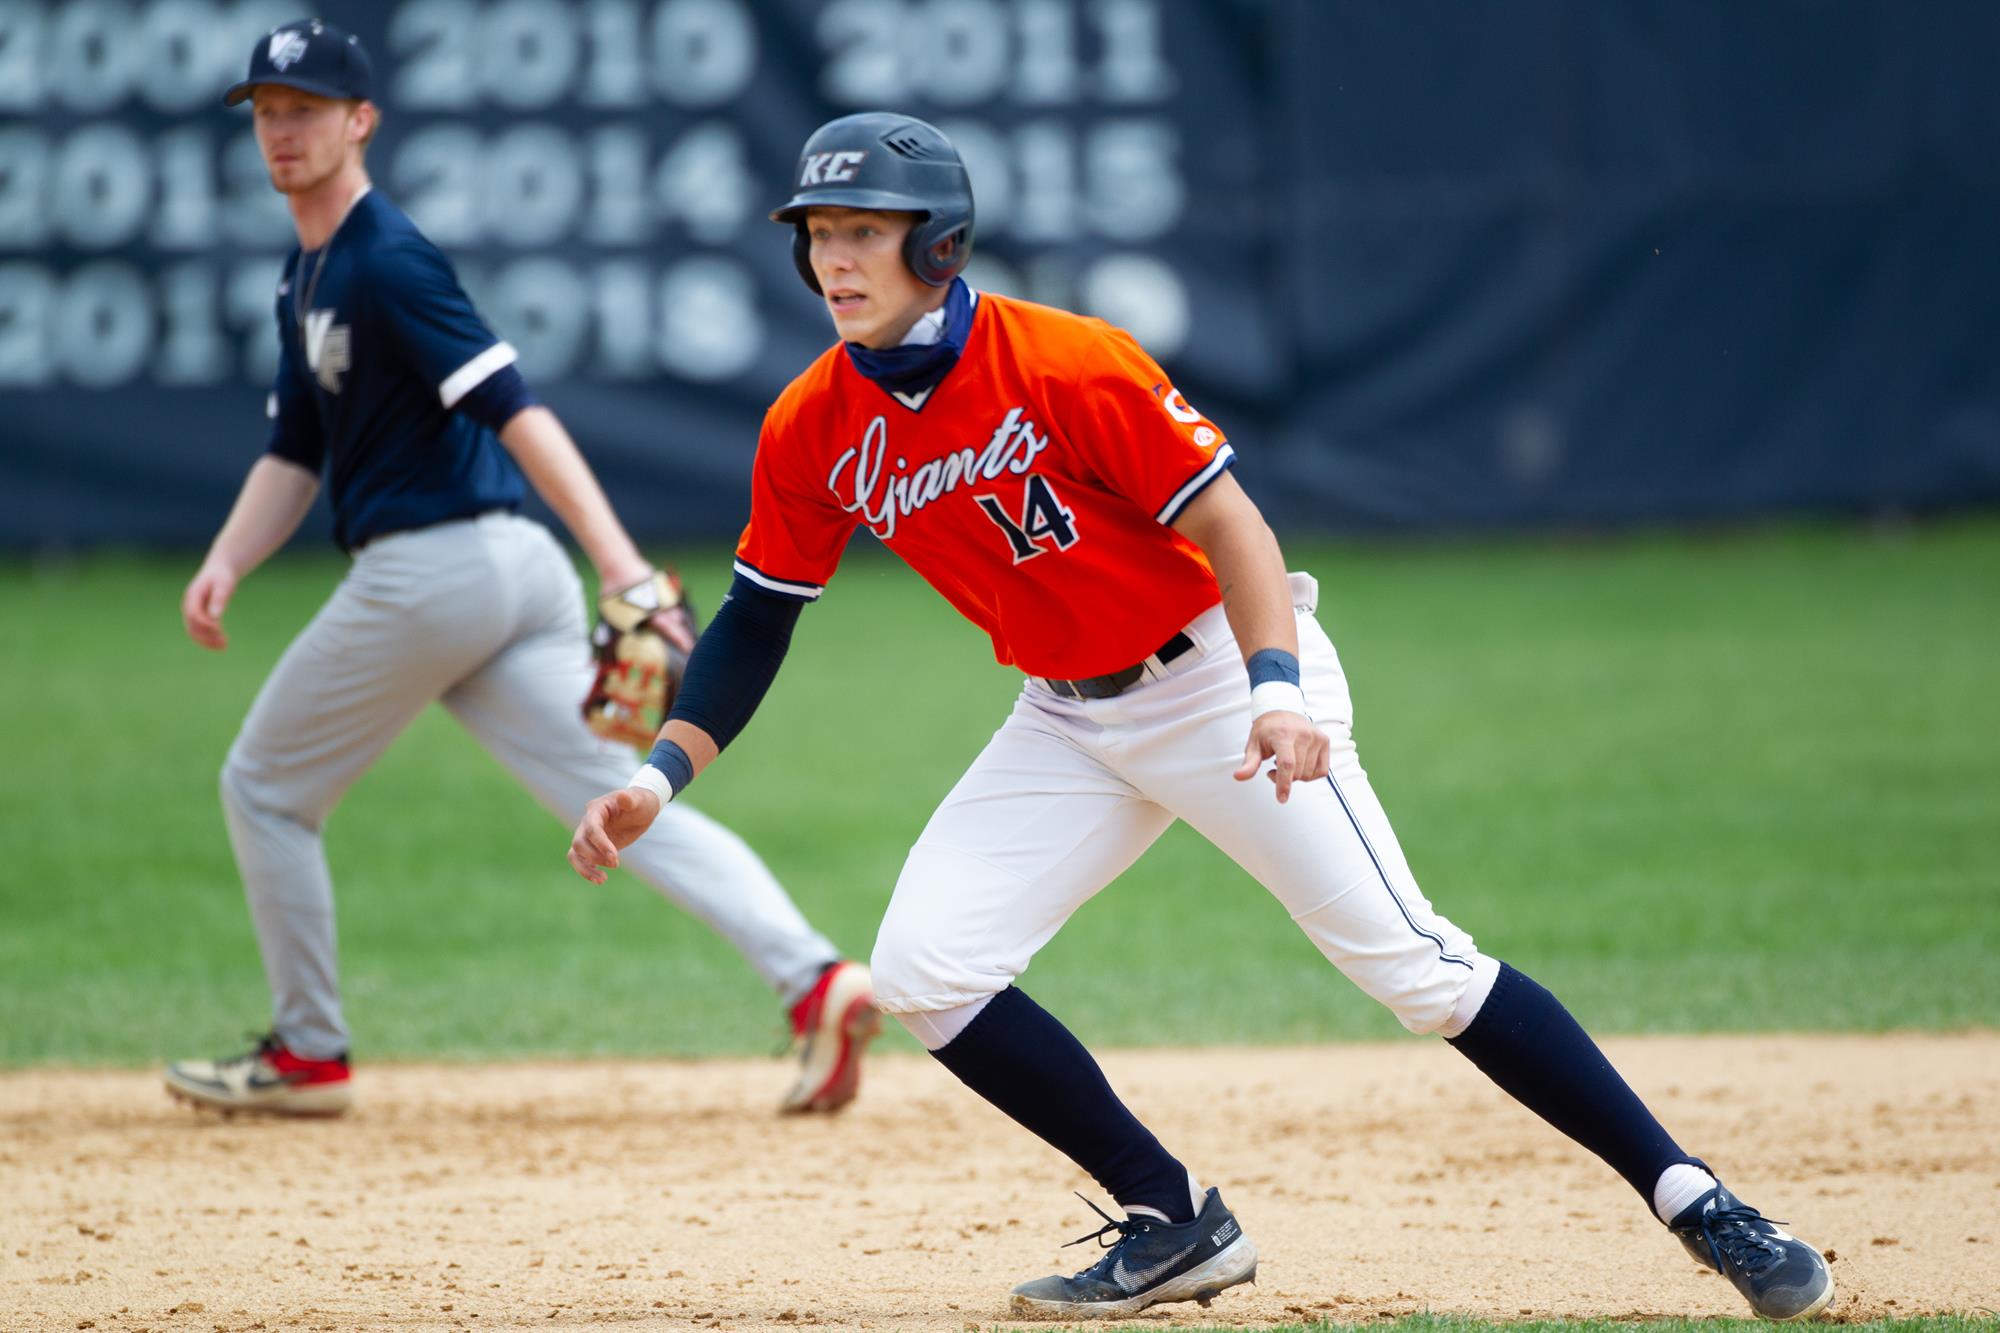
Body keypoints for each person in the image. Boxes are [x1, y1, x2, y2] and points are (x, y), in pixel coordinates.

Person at [568, 112, 1835, 1322]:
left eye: (864, 230)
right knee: (923, 969)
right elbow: (756, 616)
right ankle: (1169, 1217)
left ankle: (1699, 1201)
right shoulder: (811, 424)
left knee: (1414, 967)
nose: (834, 259)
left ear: (937, 241)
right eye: (819, 233)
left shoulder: (1065, 362)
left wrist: (1278, 690)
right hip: (1065, 717)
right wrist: (661, 775)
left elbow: (1231, 525)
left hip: (1224, 676)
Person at [164, 21, 877, 1120]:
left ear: (362, 122)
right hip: (503, 576)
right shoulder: (308, 271)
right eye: (266, 110)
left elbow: (514, 407)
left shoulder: (384, 255)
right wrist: (227, 557)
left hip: (438, 570)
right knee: (619, 798)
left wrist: (625, 565)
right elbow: (296, 452)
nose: (281, 129)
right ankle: (816, 979)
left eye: (304, 108)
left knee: (264, 787)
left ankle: (307, 1052)